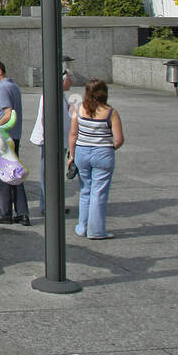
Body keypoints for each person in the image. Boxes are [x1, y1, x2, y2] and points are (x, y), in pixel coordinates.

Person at [68, 79, 123, 240]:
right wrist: (108, 148)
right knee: (98, 193)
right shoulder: (111, 112)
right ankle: (96, 230)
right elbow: (119, 140)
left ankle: (82, 227)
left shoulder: (78, 109)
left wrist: (72, 155)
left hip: (81, 153)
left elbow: (73, 135)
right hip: (103, 153)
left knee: (85, 190)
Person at [0, 59, 26, 224]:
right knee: (15, 173)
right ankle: (22, 212)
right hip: (15, 135)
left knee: (2, 175)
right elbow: (9, 113)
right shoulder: (14, 86)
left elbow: (7, 115)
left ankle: (5, 212)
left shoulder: (3, 88)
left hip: (4, 136)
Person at [29, 69, 72, 216]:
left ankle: (56, 204)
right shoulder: (50, 95)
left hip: (62, 141)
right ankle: (47, 206)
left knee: (57, 174)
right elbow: (45, 118)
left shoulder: (63, 95)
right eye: (69, 79)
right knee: (48, 174)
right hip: (51, 142)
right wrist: (50, 140)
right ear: (62, 80)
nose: (71, 82)